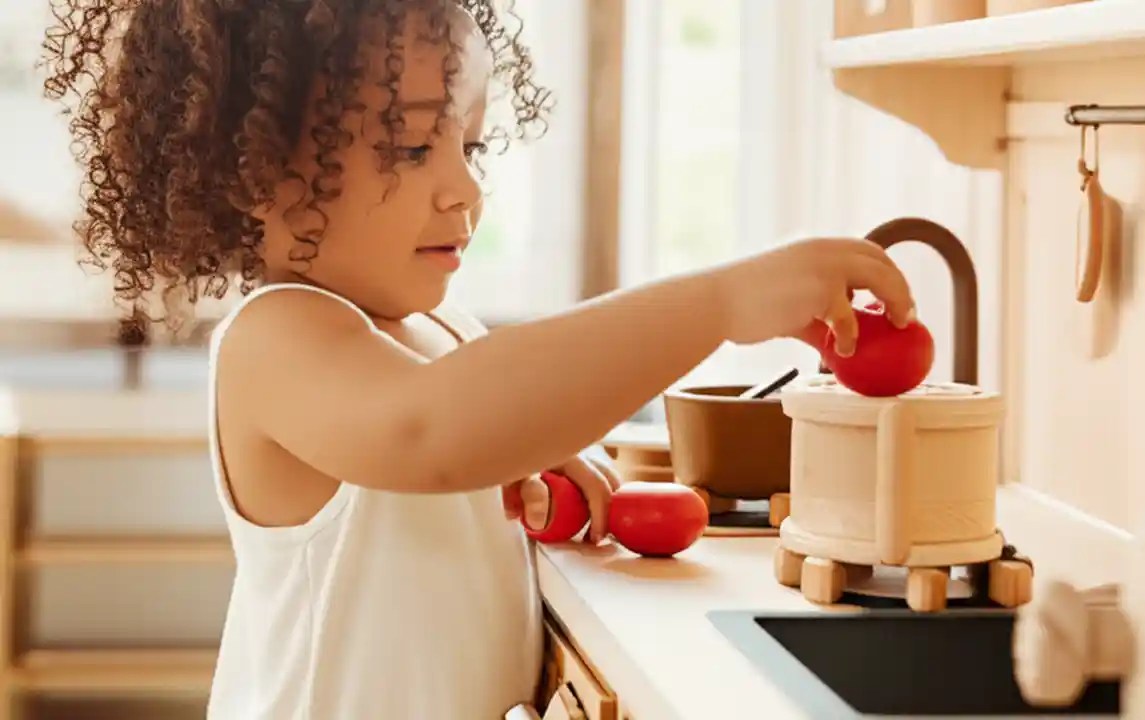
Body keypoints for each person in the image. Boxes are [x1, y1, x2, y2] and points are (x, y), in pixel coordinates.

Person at [41, 0, 917, 717]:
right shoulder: (276, 338)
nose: (464, 186)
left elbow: (479, 419)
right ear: (255, 174)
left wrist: (539, 451)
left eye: (473, 144)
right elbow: (432, 428)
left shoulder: (445, 335)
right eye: (413, 147)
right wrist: (719, 302)